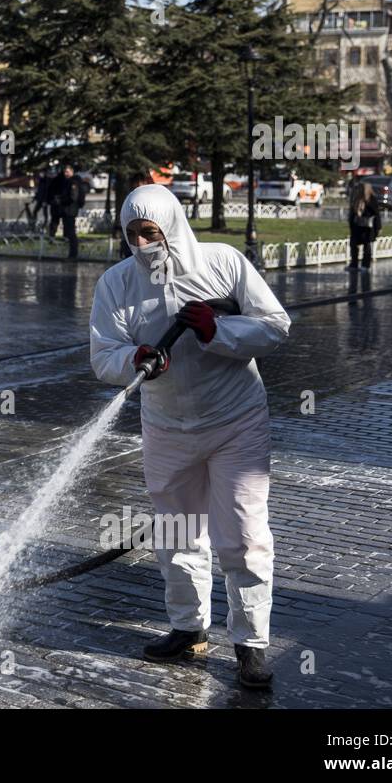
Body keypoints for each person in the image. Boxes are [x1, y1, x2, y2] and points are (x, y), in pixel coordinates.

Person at [89, 184, 290, 690]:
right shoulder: (116, 285)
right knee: (177, 535)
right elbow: (102, 354)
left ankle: (251, 645)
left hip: (235, 423)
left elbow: (275, 326)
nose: (142, 243)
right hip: (166, 427)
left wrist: (218, 331)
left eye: (150, 232)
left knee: (242, 536)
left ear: (172, 226)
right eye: (132, 234)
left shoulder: (223, 263)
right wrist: (133, 360)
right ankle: (188, 627)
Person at [49, 164, 86, 260]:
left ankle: (73, 254)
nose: (65, 173)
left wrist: (61, 200)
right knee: (69, 233)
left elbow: (73, 197)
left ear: (72, 172)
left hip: (70, 211)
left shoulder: (74, 182)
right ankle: (71, 254)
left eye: (67, 171)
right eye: (64, 171)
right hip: (66, 211)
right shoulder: (67, 181)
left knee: (71, 233)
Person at [345, 179, 382, 272]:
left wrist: (378, 227)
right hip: (357, 226)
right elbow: (353, 212)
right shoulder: (356, 199)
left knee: (367, 246)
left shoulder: (371, 199)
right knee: (354, 245)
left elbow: (376, 214)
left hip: (367, 227)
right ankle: (354, 264)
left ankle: (365, 265)